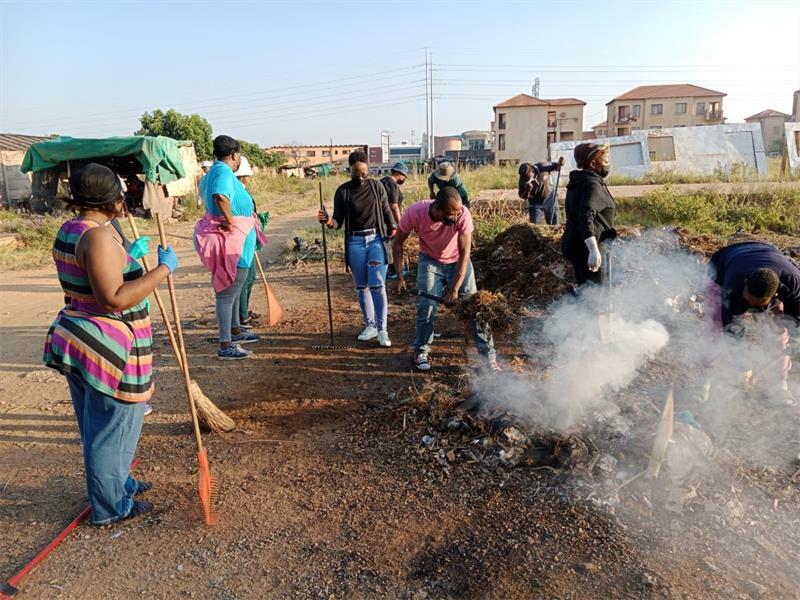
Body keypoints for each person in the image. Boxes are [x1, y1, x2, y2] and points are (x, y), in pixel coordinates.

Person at [43, 163, 178, 525]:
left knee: (100, 423)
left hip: (81, 334)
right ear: (113, 199)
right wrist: (161, 271)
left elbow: (92, 277)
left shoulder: (72, 229)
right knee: (112, 426)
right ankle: (110, 506)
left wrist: (128, 255)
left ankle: (119, 482)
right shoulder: (98, 236)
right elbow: (113, 299)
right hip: (107, 344)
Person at [393, 187, 498, 372]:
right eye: (451, 214)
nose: (456, 217)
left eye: (458, 213)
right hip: (430, 261)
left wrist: (455, 289)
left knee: (476, 308)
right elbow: (398, 242)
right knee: (426, 307)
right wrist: (400, 276)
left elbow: (466, 253)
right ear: (438, 209)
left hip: (458, 260)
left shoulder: (463, 214)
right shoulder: (415, 212)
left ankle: (489, 357)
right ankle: (421, 352)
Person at [195, 136, 267, 360]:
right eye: (238, 158)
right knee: (227, 294)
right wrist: (229, 220)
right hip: (231, 240)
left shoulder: (213, 172)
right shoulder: (223, 172)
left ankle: (236, 331)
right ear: (234, 155)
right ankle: (225, 345)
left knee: (234, 288)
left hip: (238, 240)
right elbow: (221, 197)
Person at [318, 150, 396, 347]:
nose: (361, 177)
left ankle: (382, 330)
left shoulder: (377, 186)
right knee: (362, 287)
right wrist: (328, 221)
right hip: (355, 243)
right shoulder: (343, 191)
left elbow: (386, 209)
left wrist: (393, 226)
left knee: (377, 285)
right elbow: (338, 222)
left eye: (364, 173)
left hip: (376, 240)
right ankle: (369, 326)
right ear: (350, 170)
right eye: (357, 173)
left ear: (367, 170)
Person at [705, 241, 800, 402]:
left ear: (773, 295)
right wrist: (742, 368)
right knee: (715, 329)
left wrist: (795, 340)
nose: (750, 307)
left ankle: (779, 387)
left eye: (756, 304)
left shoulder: (793, 281)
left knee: (777, 334)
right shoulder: (732, 285)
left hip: (768, 256)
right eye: (748, 301)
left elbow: (794, 319)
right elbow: (732, 329)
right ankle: (704, 382)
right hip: (722, 265)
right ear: (746, 285)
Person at [561, 143, 616, 286]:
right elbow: (585, 217)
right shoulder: (592, 185)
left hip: (578, 244)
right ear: (592, 163)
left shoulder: (580, 181)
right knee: (594, 295)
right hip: (587, 248)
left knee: (587, 291)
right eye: (605, 161)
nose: (608, 165)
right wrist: (593, 249)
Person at [234, 155, 260, 328]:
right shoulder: (236, 192)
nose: (249, 178)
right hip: (240, 242)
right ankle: (241, 316)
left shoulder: (243, 191)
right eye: (248, 175)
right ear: (242, 176)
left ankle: (244, 310)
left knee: (251, 276)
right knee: (243, 278)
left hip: (249, 241)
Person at [381, 161, 408, 280]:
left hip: (381, 220)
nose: (404, 178)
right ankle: (392, 271)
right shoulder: (392, 184)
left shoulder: (382, 181)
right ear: (399, 173)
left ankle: (387, 269)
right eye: (404, 176)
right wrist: (401, 224)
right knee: (393, 244)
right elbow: (394, 206)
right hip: (389, 221)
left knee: (385, 244)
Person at [518, 156, 565, 225]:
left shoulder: (543, 166)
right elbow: (523, 196)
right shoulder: (522, 180)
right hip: (535, 202)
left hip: (550, 198)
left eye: (528, 177)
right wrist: (527, 190)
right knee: (534, 226)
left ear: (532, 171)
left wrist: (560, 164)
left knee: (554, 225)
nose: (527, 180)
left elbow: (557, 167)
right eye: (524, 178)